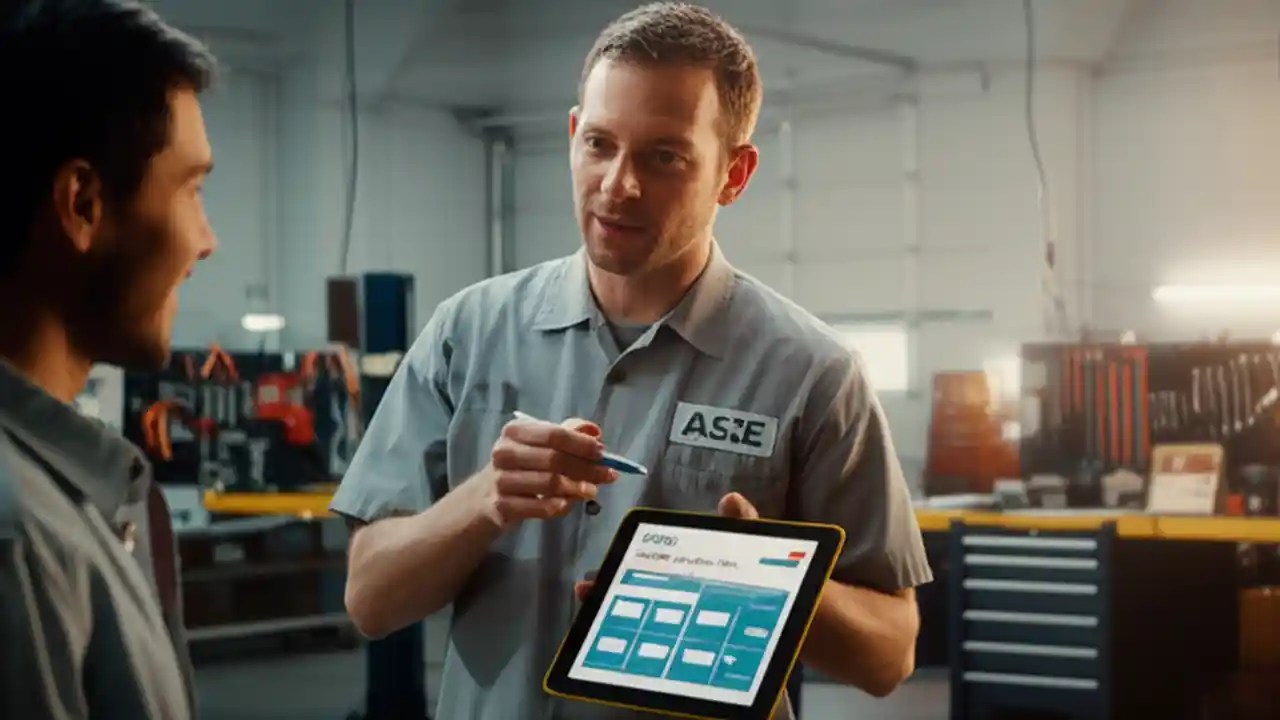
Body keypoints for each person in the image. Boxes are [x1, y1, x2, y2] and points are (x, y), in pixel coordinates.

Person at [332, 2, 931, 717]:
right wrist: (484, 501)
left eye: (664, 156)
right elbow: (370, 598)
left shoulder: (812, 374)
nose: (619, 184)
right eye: (599, 144)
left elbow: (889, 654)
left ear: (734, 175)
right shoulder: (468, 333)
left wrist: (767, 584)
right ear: (570, 138)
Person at [0, 1, 218, 717]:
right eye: (190, 189)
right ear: (83, 204)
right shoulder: (21, 540)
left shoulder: (66, 503)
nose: (205, 239)